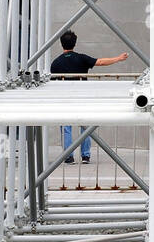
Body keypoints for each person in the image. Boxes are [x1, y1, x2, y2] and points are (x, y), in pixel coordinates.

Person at [50, 30, 129, 164]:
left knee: (66, 126)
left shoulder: (56, 63)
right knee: (85, 126)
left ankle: (68, 157)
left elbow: (54, 83)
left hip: (65, 98)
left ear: (61, 44)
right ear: (75, 43)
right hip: (82, 96)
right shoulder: (81, 58)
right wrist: (118, 58)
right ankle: (85, 156)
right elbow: (101, 62)